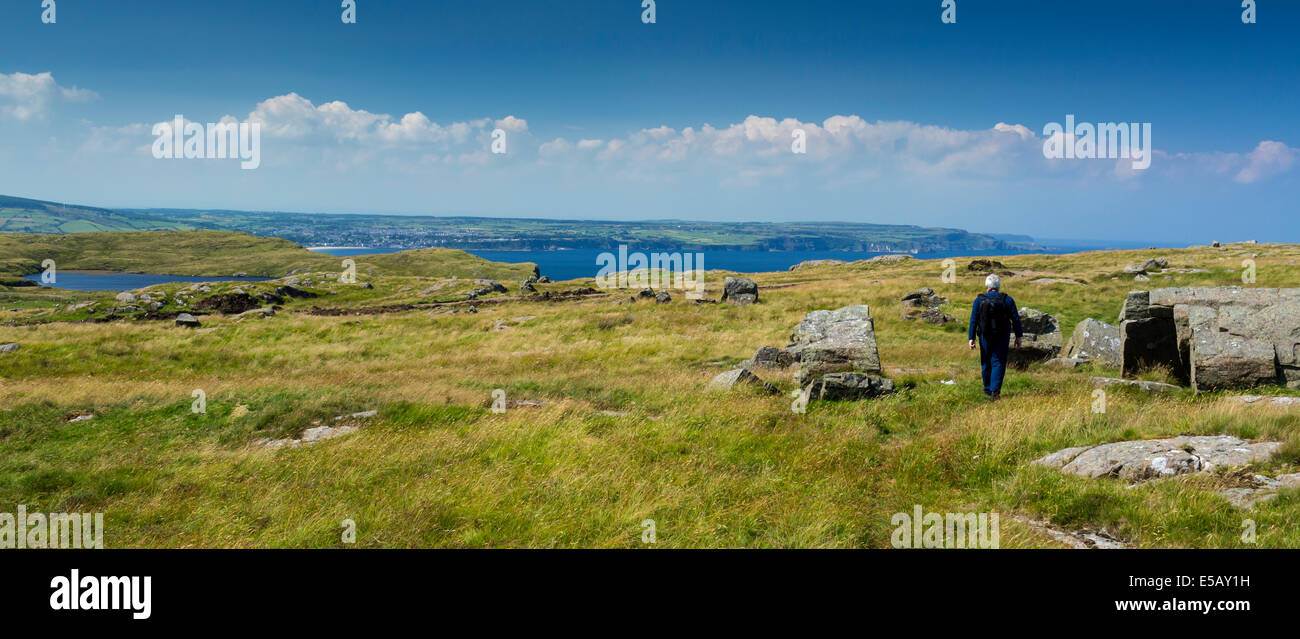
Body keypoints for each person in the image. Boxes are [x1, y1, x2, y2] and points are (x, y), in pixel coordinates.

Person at [967, 274, 1023, 400]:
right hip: (1002, 336)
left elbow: (973, 320)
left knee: (986, 361)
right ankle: (995, 392)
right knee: (998, 361)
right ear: (998, 287)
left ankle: (987, 389)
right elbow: (1015, 319)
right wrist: (1019, 336)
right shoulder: (1007, 299)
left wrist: (971, 338)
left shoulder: (979, 300)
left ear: (987, 287)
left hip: (984, 336)